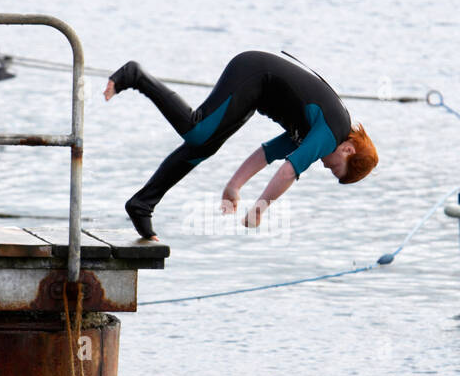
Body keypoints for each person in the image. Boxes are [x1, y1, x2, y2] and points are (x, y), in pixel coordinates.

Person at [104, 50, 378, 239]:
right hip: (253, 72)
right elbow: (287, 172)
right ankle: (136, 76)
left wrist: (235, 186)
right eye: (335, 168)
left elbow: (267, 154)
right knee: (198, 132)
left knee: (204, 146)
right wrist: (260, 209)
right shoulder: (331, 134)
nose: (326, 165)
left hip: (256, 88)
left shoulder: (320, 129)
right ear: (348, 150)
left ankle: (142, 204)